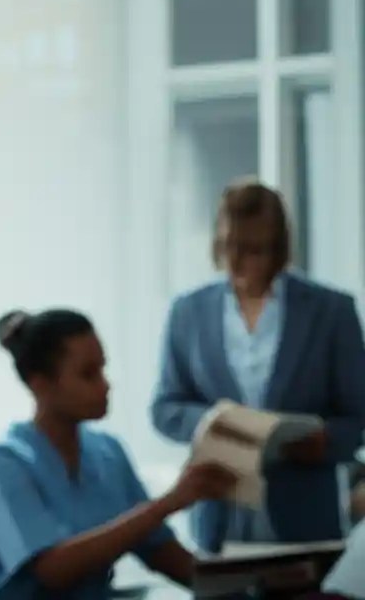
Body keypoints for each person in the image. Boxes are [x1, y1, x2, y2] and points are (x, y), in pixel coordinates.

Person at [0, 309, 236, 600]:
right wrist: (169, 502)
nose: (105, 385)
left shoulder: (108, 453)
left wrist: (250, 586)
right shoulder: (2, 465)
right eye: (88, 374)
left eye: (103, 369)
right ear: (41, 385)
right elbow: (53, 570)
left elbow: (161, 551)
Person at [151, 178, 365, 553]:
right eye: (229, 246)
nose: (237, 262)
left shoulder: (332, 311)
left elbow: (358, 417)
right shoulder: (188, 312)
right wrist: (212, 423)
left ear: (278, 248)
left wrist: (325, 442)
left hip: (305, 517)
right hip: (219, 514)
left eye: (253, 250)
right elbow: (165, 409)